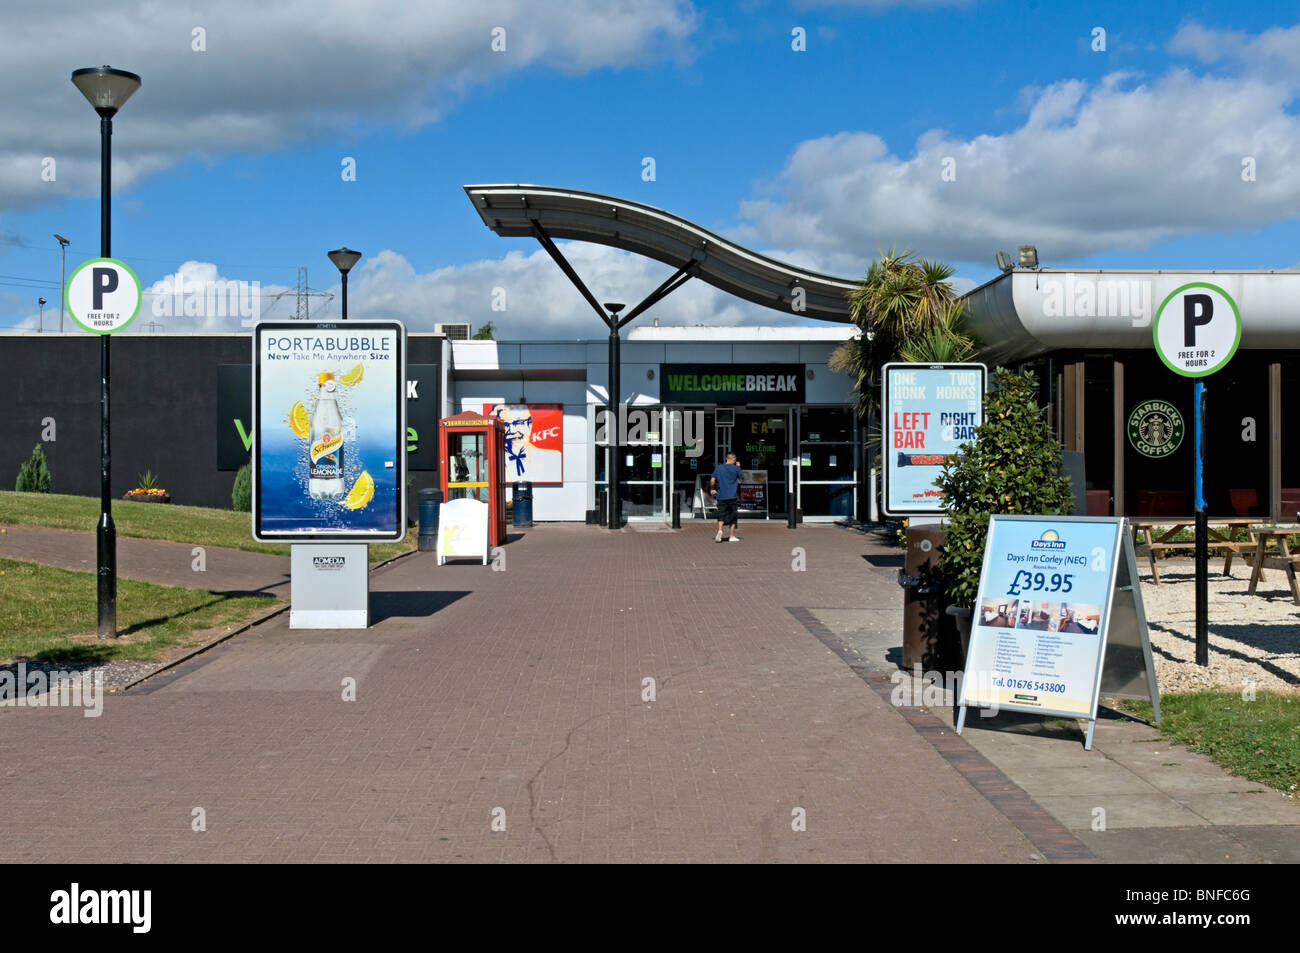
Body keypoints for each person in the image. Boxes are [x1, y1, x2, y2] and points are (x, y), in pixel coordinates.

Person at [710, 452, 744, 542]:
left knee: (721, 514)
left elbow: (712, 480)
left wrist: (712, 489)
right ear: (733, 459)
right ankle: (731, 536)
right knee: (733, 516)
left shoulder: (718, 468)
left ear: (726, 459)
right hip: (732, 496)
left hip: (721, 495)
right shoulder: (736, 468)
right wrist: (739, 467)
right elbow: (742, 480)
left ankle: (720, 530)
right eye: (735, 459)